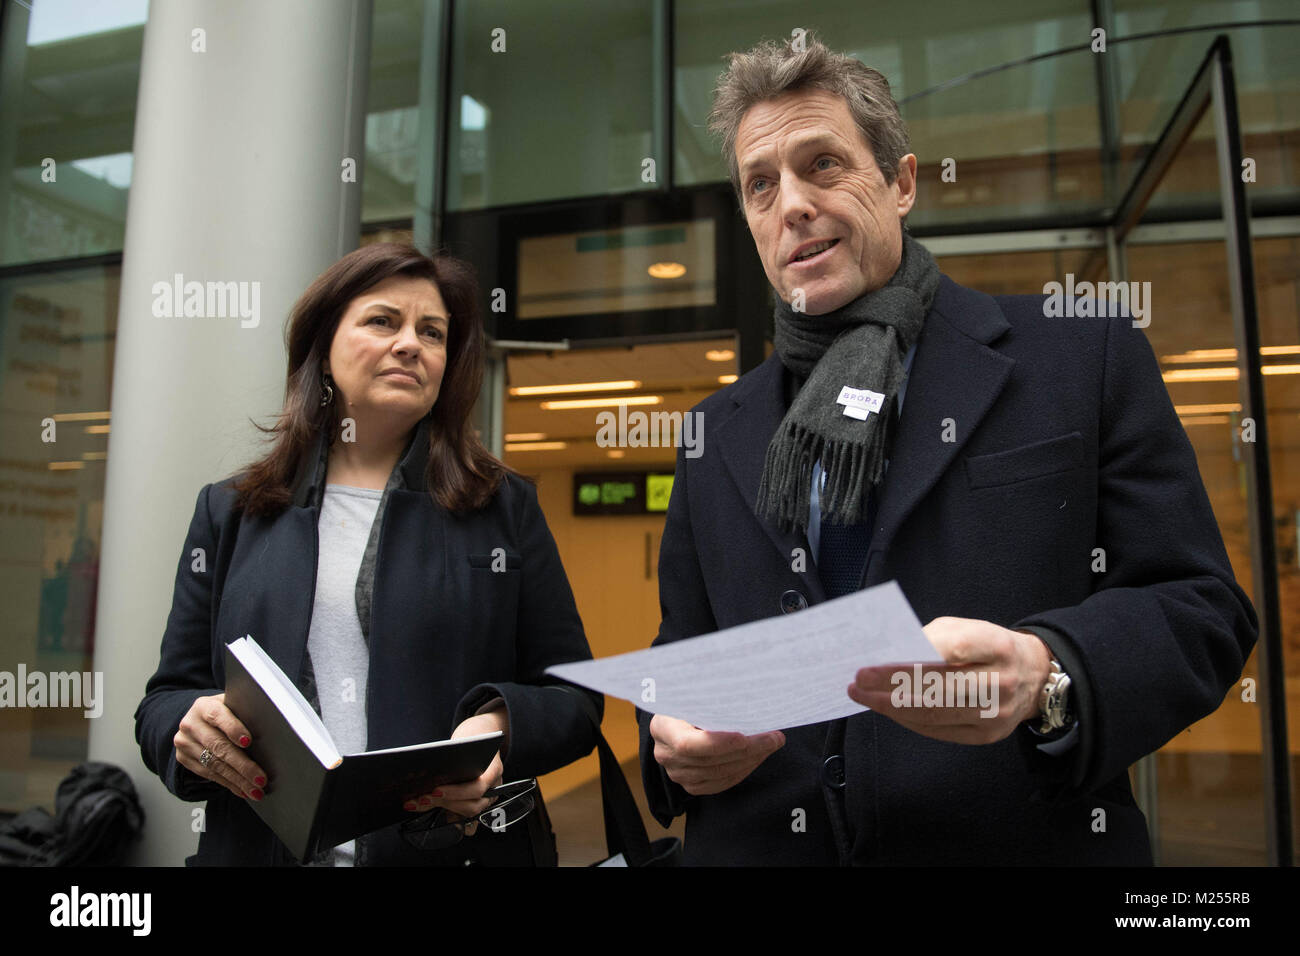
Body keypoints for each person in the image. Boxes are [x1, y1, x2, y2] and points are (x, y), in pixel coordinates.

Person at [637, 36, 1258, 865]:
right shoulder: (713, 432)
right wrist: (670, 736)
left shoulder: (1081, 355)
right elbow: (679, 655)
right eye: (761, 184)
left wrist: (1049, 672)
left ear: (901, 184)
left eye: (822, 165)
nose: (791, 204)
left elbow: (1201, 607)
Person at [136, 243, 602, 866]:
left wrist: (497, 727)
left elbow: (574, 698)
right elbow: (166, 698)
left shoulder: (502, 508)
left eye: (432, 332)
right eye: (383, 321)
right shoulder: (233, 510)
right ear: (323, 347)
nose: (410, 344)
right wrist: (187, 729)